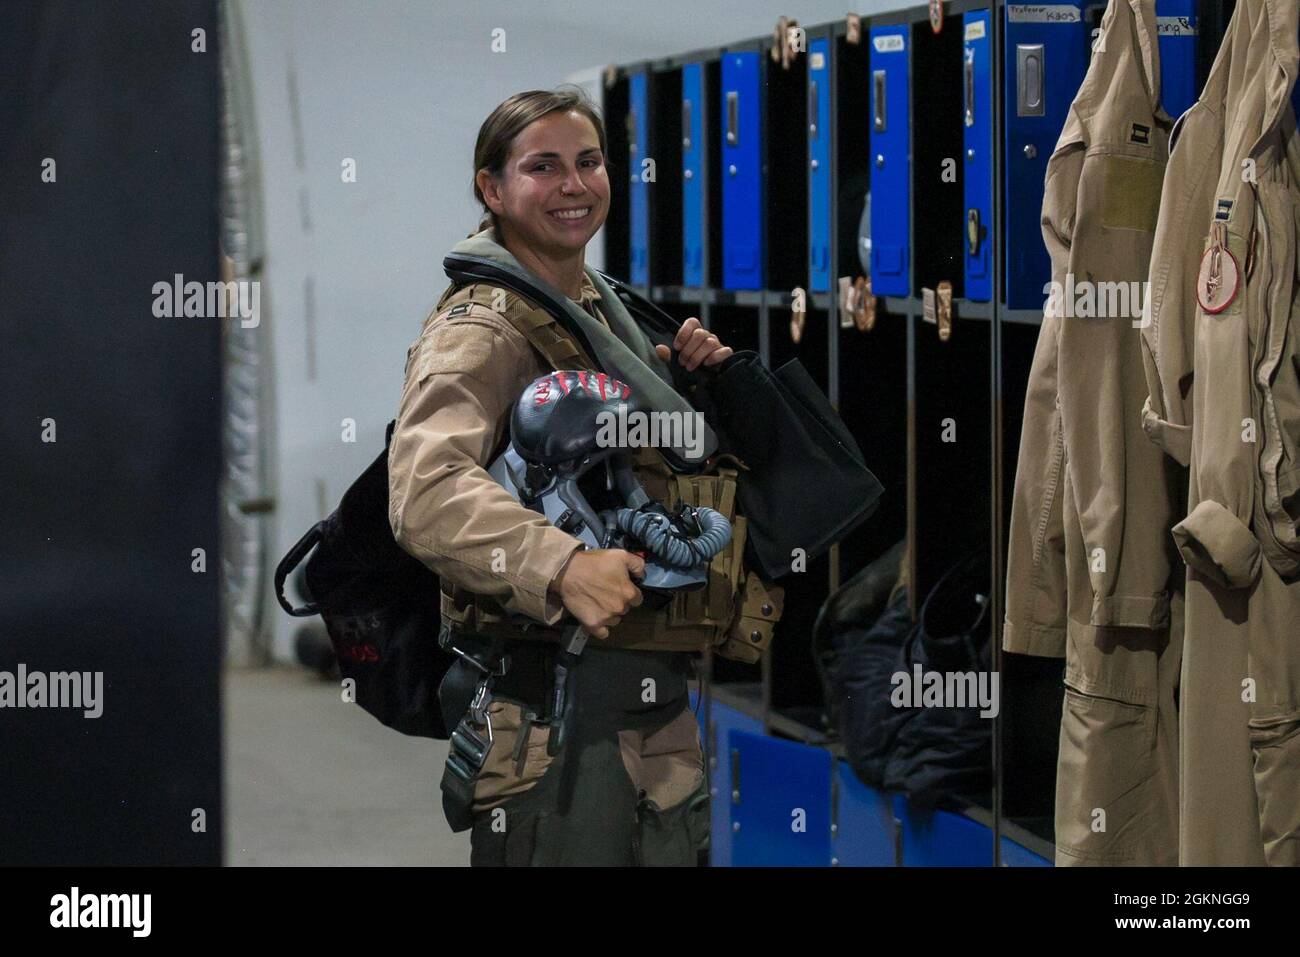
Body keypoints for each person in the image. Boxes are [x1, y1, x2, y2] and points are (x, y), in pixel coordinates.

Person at [387, 87, 744, 866]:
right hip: (553, 713)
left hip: (648, 703)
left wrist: (676, 380)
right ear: (492, 188)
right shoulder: (482, 327)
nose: (574, 185)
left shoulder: (593, 307)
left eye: (588, 162)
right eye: (542, 167)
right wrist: (562, 564)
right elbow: (424, 486)